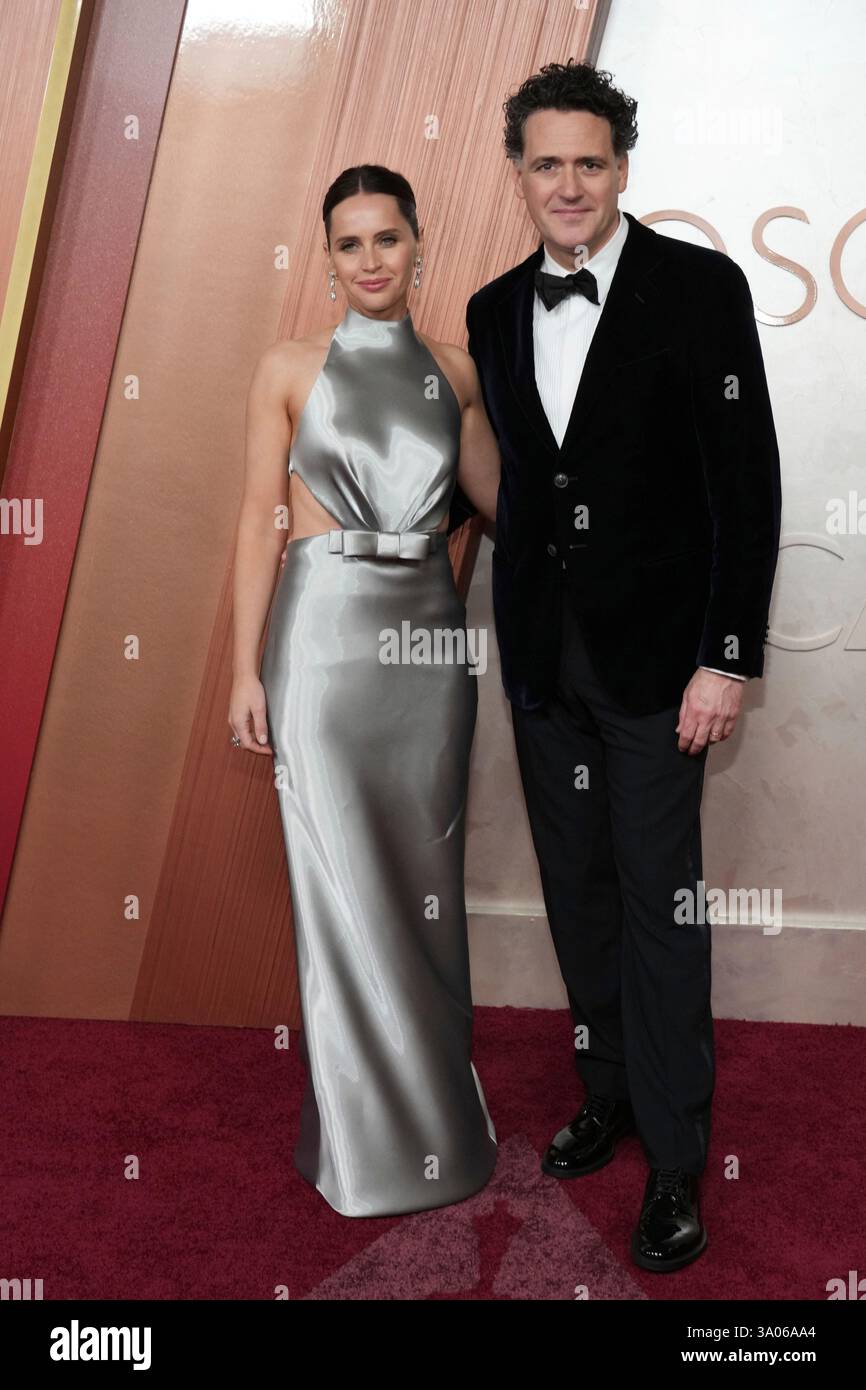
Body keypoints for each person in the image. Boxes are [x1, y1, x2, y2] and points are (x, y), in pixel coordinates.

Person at [451, 60, 782, 1270]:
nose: (569, 182)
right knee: (576, 892)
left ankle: (679, 1158)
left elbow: (746, 487)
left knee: (659, 901)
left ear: (622, 167)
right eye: (546, 161)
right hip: (543, 657)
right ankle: (610, 1090)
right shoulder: (495, 309)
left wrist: (724, 661)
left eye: (590, 160)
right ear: (518, 174)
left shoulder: (698, 288)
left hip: (659, 670)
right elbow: (520, 490)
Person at [229, 165, 501, 1217]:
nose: (371, 260)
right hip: (323, 645)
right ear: (327, 257)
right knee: (338, 888)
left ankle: (439, 1129)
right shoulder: (288, 366)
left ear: (416, 244)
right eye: (350, 244)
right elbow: (259, 520)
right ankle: (361, 1146)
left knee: (423, 890)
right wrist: (243, 669)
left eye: (387, 239)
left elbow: (498, 507)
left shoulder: (457, 371)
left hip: (429, 651)